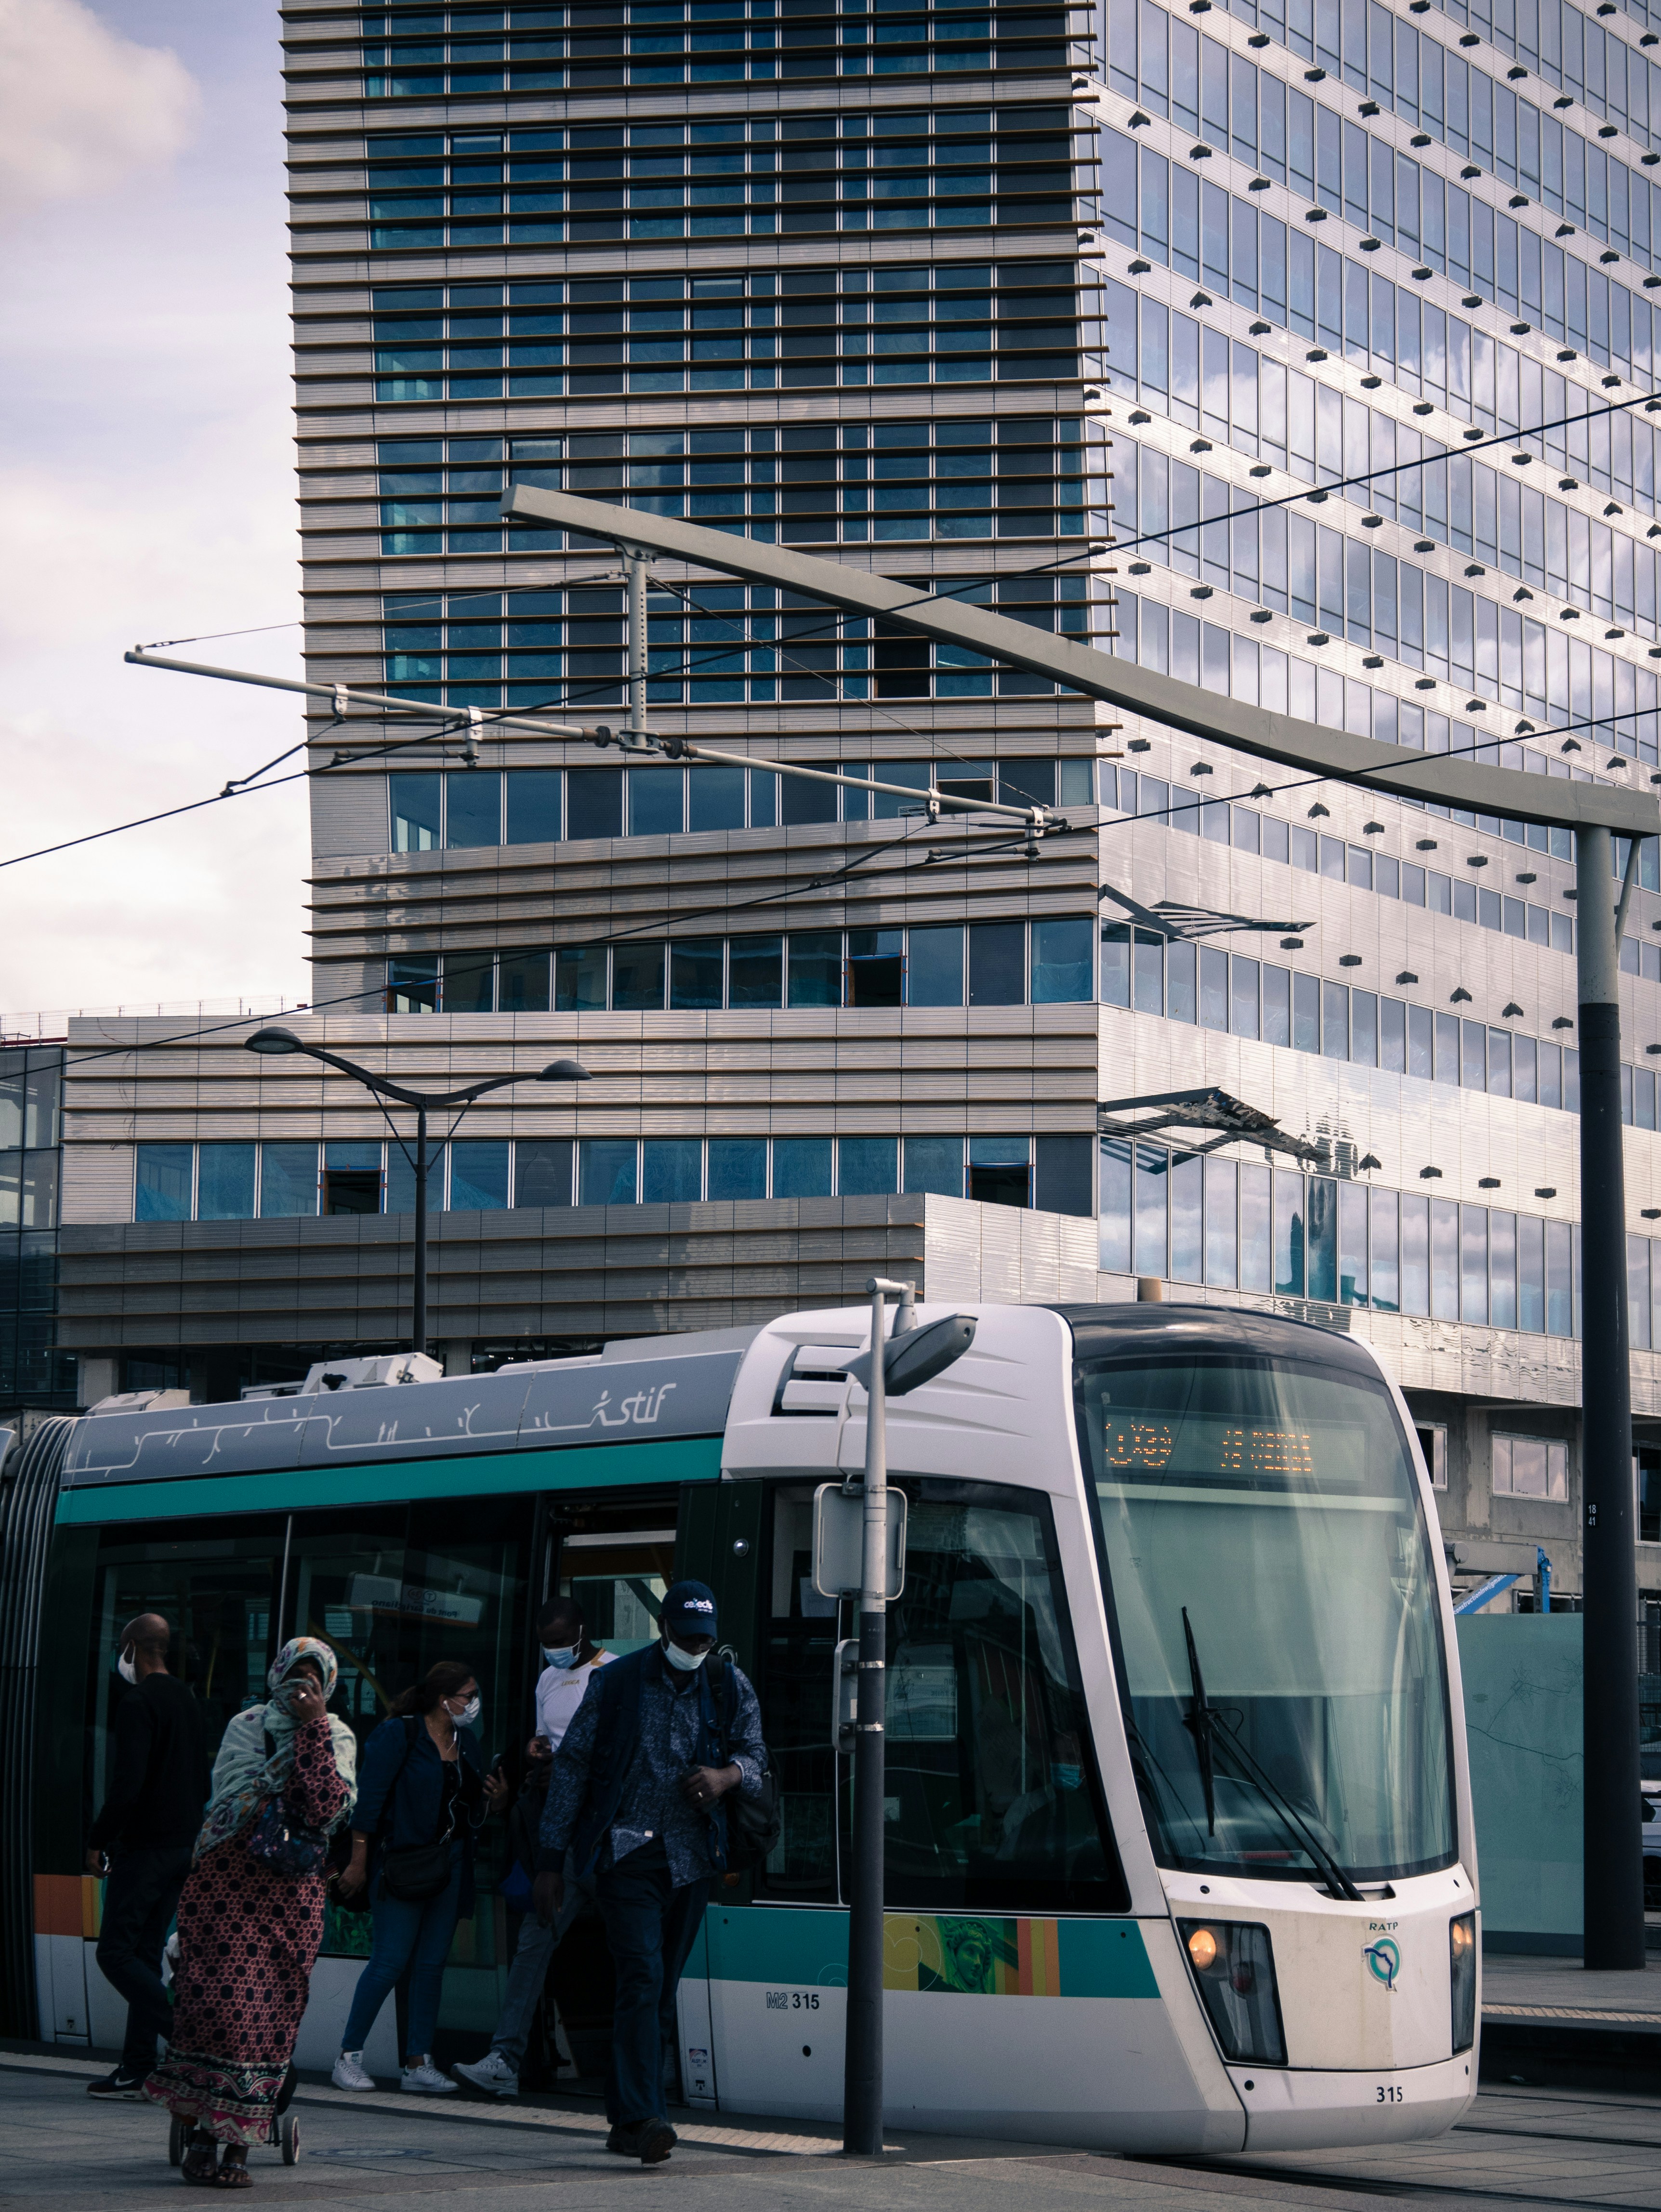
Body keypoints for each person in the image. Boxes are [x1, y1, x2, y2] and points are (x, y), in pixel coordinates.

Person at [534, 1581, 766, 2164]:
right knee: (640, 1976)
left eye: (705, 1639)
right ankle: (646, 2117)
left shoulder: (727, 1682)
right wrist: (550, 1861)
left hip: (694, 1858)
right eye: (687, 1637)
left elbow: (758, 1757)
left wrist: (724, 1776)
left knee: (660, 1988)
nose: (696, 1647)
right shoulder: (616, 1683)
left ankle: (622, 2118)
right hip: (626, 1854)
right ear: (664, 1628)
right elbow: (572, 1772)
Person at [142, 1638, 358, 2186]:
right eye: (295, 1675)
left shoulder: (336, 1735)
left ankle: (237, 2145)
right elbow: (231, 1793)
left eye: (315, 1678)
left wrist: (311, 1731)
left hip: (291, 1898)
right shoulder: (247, 1723)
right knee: (217, 2008)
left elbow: (328, 1806)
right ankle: (203, 2133)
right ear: (277, 1673)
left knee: (268, 2018)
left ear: (329, 1684)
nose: (303, 1687)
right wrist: (282, 1783)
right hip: (225, 1887)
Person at [453, 1597, 614, 2098]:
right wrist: (536, 1751)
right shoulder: (548, 1678)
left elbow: (613, 1753)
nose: (555, 1652)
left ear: (582, 1631)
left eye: (561, 1642)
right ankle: (505, 2057)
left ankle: (653, 2059)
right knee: (533, 1941)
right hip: (559, 1828)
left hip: (606, 1835)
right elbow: (548, 1739)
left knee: (635, 1946)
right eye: (546, 1644)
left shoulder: (615, 1673)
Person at [332, 1660, 508, 2093]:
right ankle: (348, 2057)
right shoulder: (401, 1733)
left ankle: (418, 2063)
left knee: (431, 1966)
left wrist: (495, 1803)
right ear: (443, 1699)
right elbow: (368, 1804)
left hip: (450, 1865)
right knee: (389, 1962)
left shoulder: (466, 1740)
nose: (474, 1705)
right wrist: (358, 1862)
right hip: (402, 1865)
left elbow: (469, 1810)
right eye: (468, 1696)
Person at [85, 1614, 210, 2100]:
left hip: (145, 1851)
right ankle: (138, 2065)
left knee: (113, 1951)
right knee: (143, 1954)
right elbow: (202, 1780)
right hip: (183, 1849)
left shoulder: (138, 1701)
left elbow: (126, 1784)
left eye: (122, 1648)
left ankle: (191, 2036)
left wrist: (99, 1838)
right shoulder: (187, 1699)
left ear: (134, 1647)